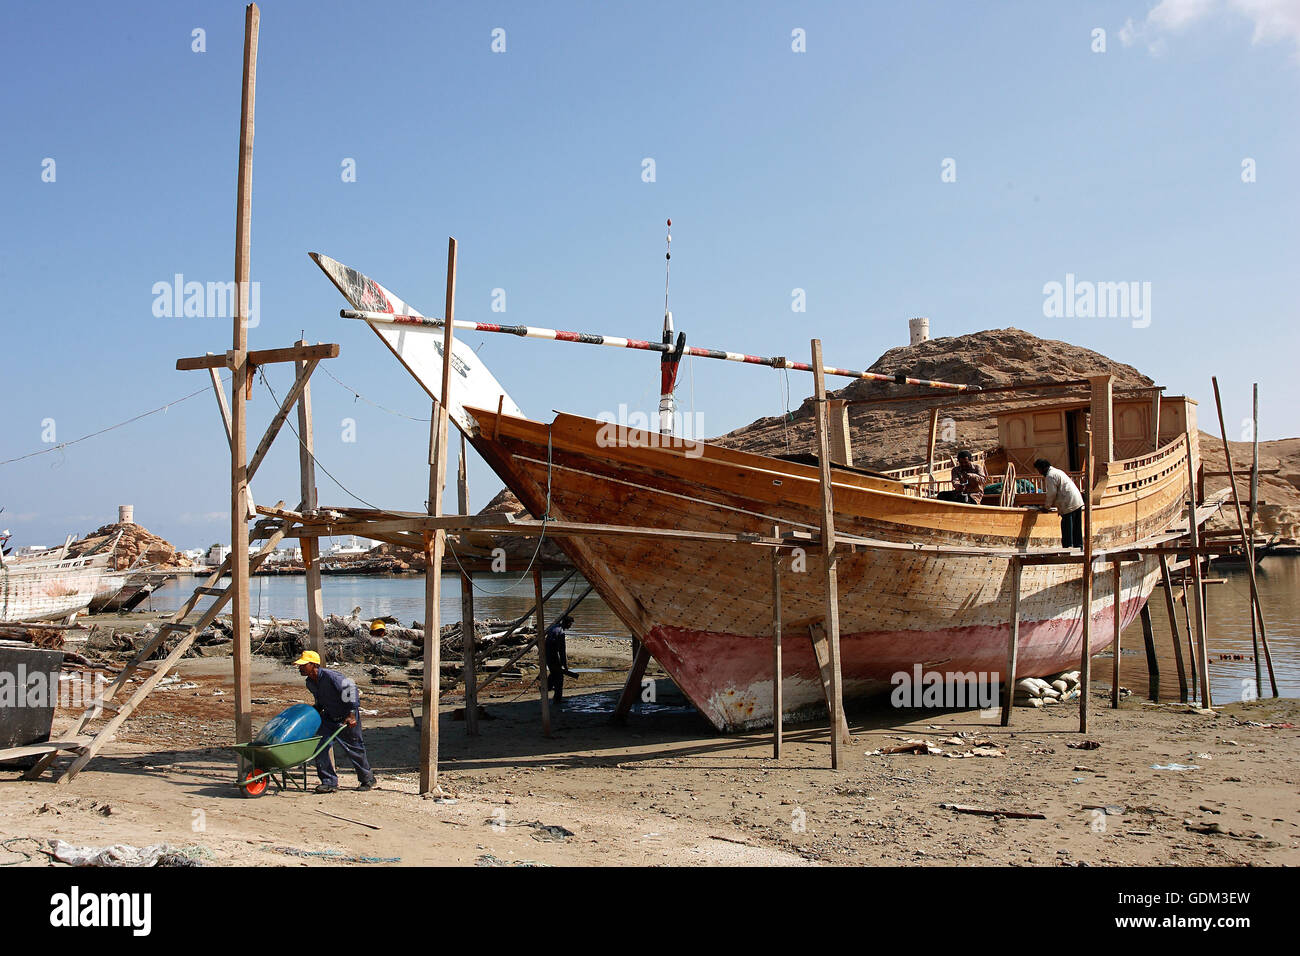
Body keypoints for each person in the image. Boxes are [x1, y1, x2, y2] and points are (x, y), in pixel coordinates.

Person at [293, 650, 377, 794]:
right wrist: (313, 712)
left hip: (346, 715)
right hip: (329, 717)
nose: (300, 668)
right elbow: (321, 701)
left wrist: (351, 715)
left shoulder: (331, 676)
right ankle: (329, 782)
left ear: (313, 665)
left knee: (354, 747)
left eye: (303, 665)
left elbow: (351, 690)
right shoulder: (309, 683)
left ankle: (367, 779)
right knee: (320, 746)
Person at [1035, 458, 1085, 548]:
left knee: (1067, 528)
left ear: (1043, 468)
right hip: (1076, 500)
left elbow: (1051, 494)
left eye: (1039, 470)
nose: (1039, 472)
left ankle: (1068, 548)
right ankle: (1079, 547)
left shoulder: (1050, 476)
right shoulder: (1057, 471)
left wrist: (1046, 507)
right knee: (1077, 527)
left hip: (1068, 502)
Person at [544, 615, 578, 705]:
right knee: (559, 678)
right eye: (570, 624)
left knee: (554, 673)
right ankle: (557, 699)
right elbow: (562, 650)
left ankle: (546, 688)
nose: (570, 626)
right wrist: (565, 665)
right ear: (567, 623)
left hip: (547, 654)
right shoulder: (560, 632)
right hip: (552, 655)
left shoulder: (554, 627)